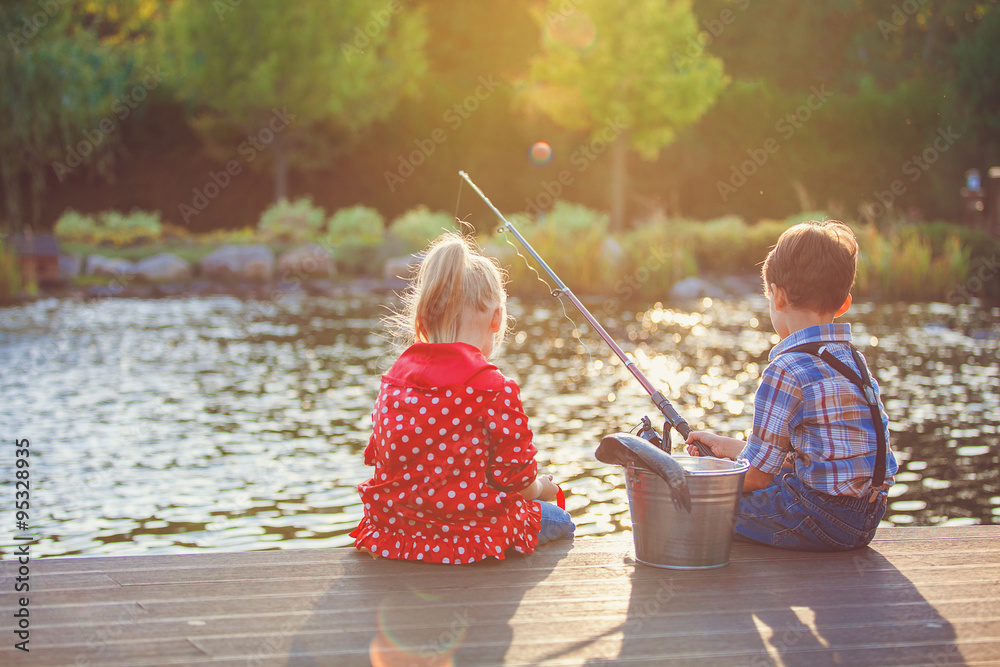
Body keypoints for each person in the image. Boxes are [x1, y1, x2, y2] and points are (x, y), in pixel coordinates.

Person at [351, 232, 574, 564]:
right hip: (470, 536)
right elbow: (517, 483)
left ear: (425, 315)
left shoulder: (394, 379)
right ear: (497, 319)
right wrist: (544, 488)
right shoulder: (492, 386)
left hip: (397, 533)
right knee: (561, 521)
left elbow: (387, 461)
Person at [685, 220, 898, 551]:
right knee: (775, 483)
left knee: (702, 508)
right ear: (844, 304)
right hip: (867, 517)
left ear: (778, 296)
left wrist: (706, 478)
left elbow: (757, 477)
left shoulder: (786, 368)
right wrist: (727, 449)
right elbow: (802, 459)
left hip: (819, 516)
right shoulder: (852, 360)